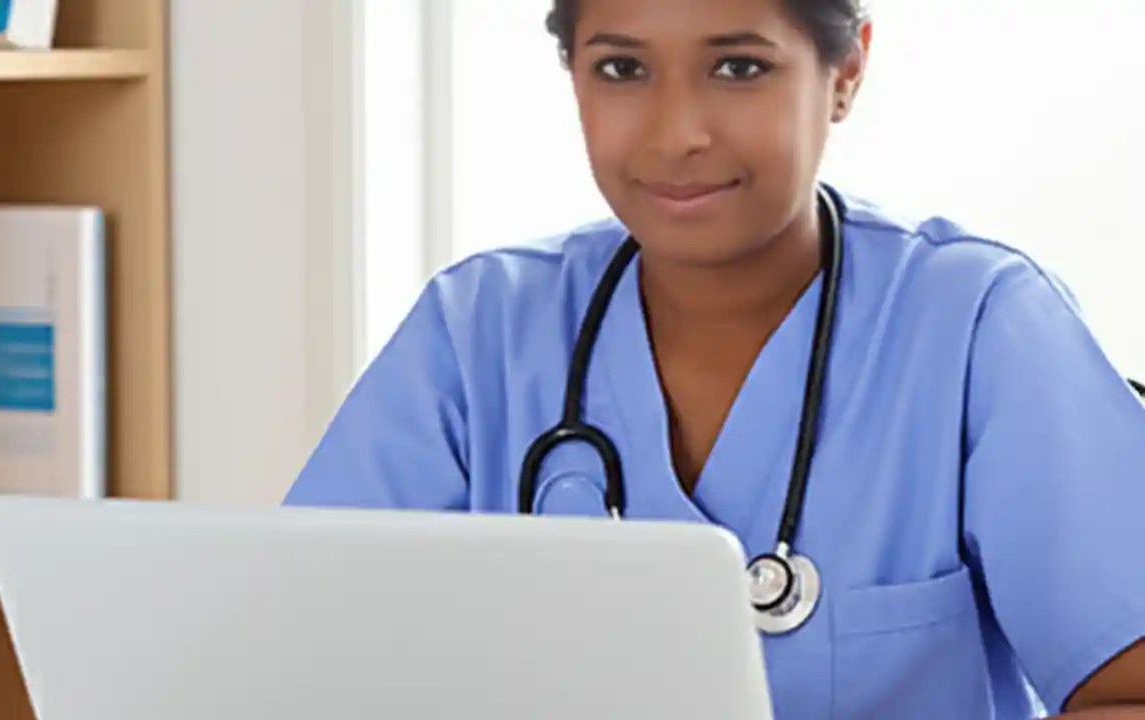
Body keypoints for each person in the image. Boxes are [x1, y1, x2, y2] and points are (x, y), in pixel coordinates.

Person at [285, 0, 1145, 716]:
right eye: (622, 68)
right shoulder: (476, 333)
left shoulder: (977, 326)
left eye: (738, 67)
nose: (677, 134)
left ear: (845, 72)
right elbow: (289, 667)